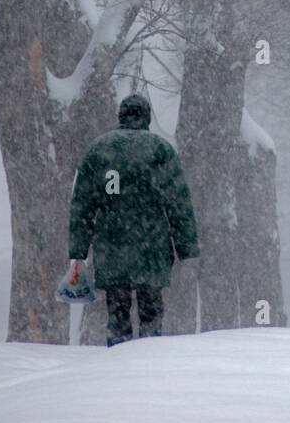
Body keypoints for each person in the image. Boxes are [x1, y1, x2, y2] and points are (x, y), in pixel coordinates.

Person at [68, 92, 199, 346]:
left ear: (121, 116)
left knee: (117, 313)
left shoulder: (100, 149)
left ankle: (118, 357)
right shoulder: (160, 150)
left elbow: (82, 206)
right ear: (147, 118)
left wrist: (78, 250)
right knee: (151, 312)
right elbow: (179, 203)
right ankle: (149, 363)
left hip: (111, 246)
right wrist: (186, 248)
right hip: (152, 246)